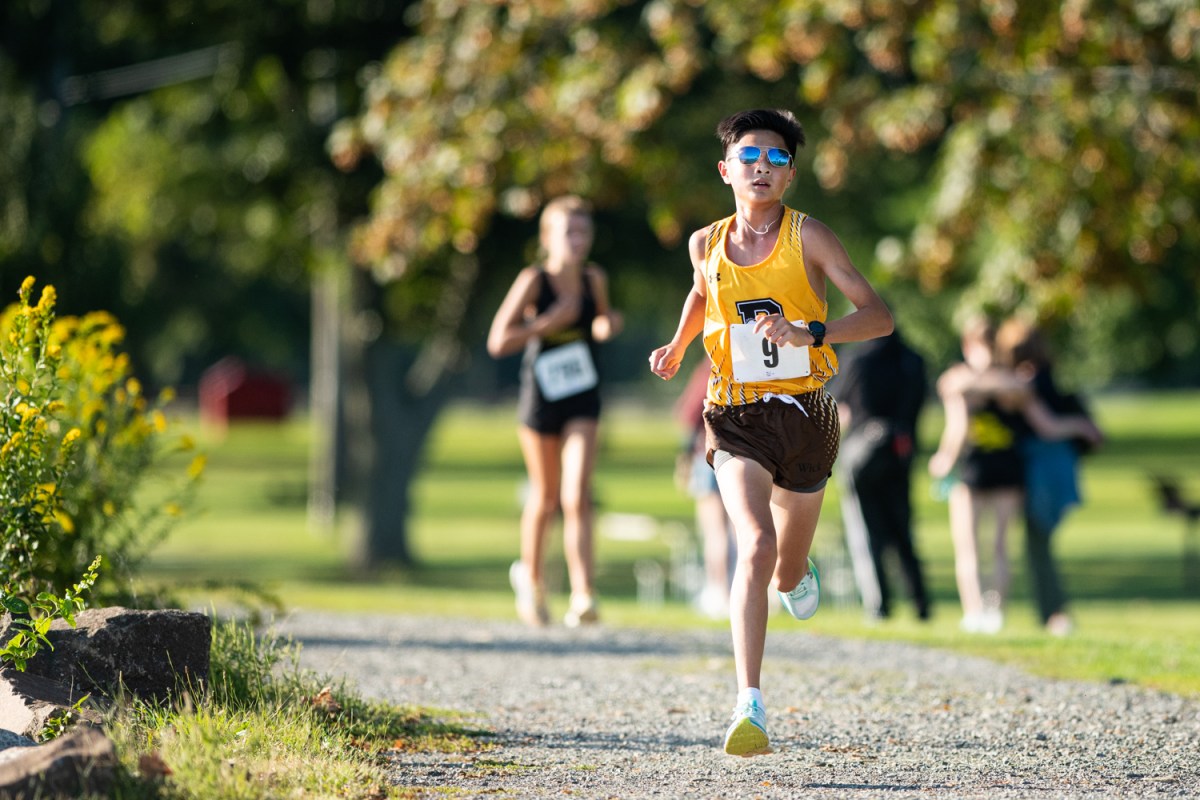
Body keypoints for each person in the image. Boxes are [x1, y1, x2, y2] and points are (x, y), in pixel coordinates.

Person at [648, 108, 894, 757]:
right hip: (734, 415)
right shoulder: (705, 241)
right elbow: (702, 293)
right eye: (750, 157)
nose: (762, 167)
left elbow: (878, 317)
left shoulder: (812, 238)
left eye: (777, 158)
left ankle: (794, 575)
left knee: (785, 568)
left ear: (790, 174)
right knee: (752, 542)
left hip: (807, 413)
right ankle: (748, 704)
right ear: (727, 169)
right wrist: (678, 346)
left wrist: (810, 332)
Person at [487, 196, 623, 628]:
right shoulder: (534, 280)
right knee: (545, 498)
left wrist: (607, 325)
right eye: (569, 232)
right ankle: (531, 580)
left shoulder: (593, 277)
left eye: (584, 232)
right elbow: (498, 341)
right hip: (541, 397)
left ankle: (584, 595)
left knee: (577, 495)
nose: (578, 241)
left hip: (583, 394)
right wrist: (545, 323)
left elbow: (600, 320)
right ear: (548, 238)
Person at [928, 317, 1099, 634]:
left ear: (968, 345)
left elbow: (958, 427)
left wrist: (944, 459)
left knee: (971, 547)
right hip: (1004, 470)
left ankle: (977, 612)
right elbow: (1047, 425)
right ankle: (992, 612)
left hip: (974, 469)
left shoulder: (961, 383)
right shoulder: (1015, 385)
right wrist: (1079, 425)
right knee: (996, 547)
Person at [996, 319, 1103, 636]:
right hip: (1052, 467)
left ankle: (1053, 612)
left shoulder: (1022, 381)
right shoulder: (1037, 379)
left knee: (1037, 542)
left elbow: (1046, 425)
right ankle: (1052, 612)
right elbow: (1053, 425)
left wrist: (1079, 426)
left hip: (1039, 468)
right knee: (1039, 541)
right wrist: (1082, 426)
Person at [830, 327, 931, 622]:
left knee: (866, 530)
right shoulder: (913, 360)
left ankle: (879, 605)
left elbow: (840, 407)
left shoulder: (857, 358)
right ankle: (920, 601)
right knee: (903, 530)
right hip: (901, 451)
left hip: (862, 453)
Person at [674, 359, 735, 620]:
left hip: (709, 455)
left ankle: (719, 590)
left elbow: (691, 416)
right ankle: (737, 589)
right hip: (746, 458)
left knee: (715, 532)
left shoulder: (711, 369)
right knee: (739, 530)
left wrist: (684, 459)